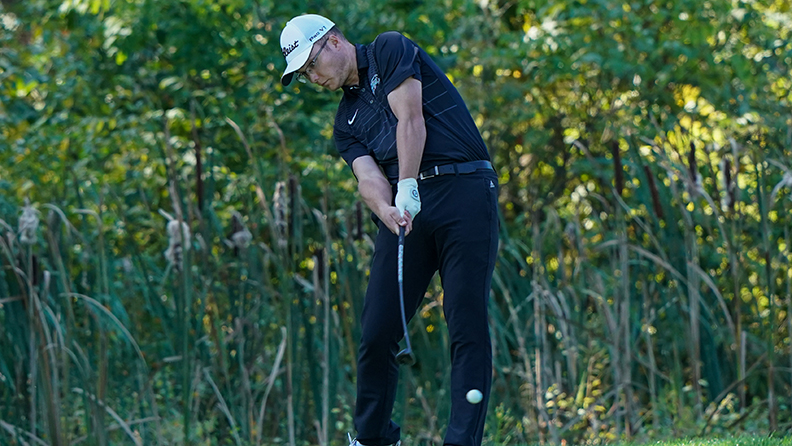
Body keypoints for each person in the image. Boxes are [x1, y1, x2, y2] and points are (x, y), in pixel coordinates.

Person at [279, 14, 499, 446]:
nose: (312, 77)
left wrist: (409, 183)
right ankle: (374, 438)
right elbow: (368, 178)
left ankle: (461, 441)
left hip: (465, 190)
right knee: (378, 329)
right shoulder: (346, 123)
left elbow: (410, 118)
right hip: (407, 209)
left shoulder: (388, 48)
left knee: (464, 318)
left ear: (334, 42)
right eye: (303, 74)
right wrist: (386, 208)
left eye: (311, 65)